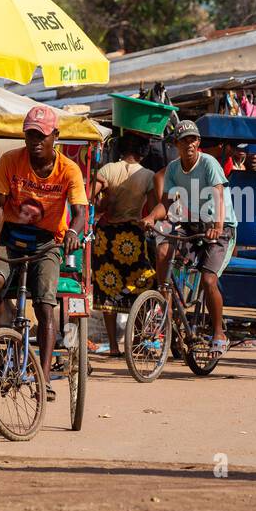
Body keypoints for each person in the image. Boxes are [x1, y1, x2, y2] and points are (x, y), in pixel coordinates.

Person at [0, 105, 88, 400]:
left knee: (45, 304)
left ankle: (43, 377)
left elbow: (80, 213)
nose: (36, 141)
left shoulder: (69, 169)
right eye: (31, 135)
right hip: (10, 239)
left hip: (47, 243)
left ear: (55, 136)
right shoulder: (10, 161)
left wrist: (72, 232)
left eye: (42, 135)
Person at [142, 120, 236, 355]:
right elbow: (166, 203)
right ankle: (166, 308)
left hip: (220, 228)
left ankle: (218, 332)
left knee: (208, 280)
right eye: (184, 140)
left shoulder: (209, 164)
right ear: (176, 144)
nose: (189, 144)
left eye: (193, 139)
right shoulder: (173, 168)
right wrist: (151, 218)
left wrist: (217, 226)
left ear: (198, 143)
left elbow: (219, 198)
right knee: (163, 250)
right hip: (191, 225)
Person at [91, 133, 158, 357]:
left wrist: (104, 204)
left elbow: (91, 197)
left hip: (105, 236)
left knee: (107, 286)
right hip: (131, 236)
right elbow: (150, 210)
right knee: (143, 282)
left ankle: (113, 346)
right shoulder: (148, 175)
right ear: (143, 151)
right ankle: (138, 338)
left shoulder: (108, 169)